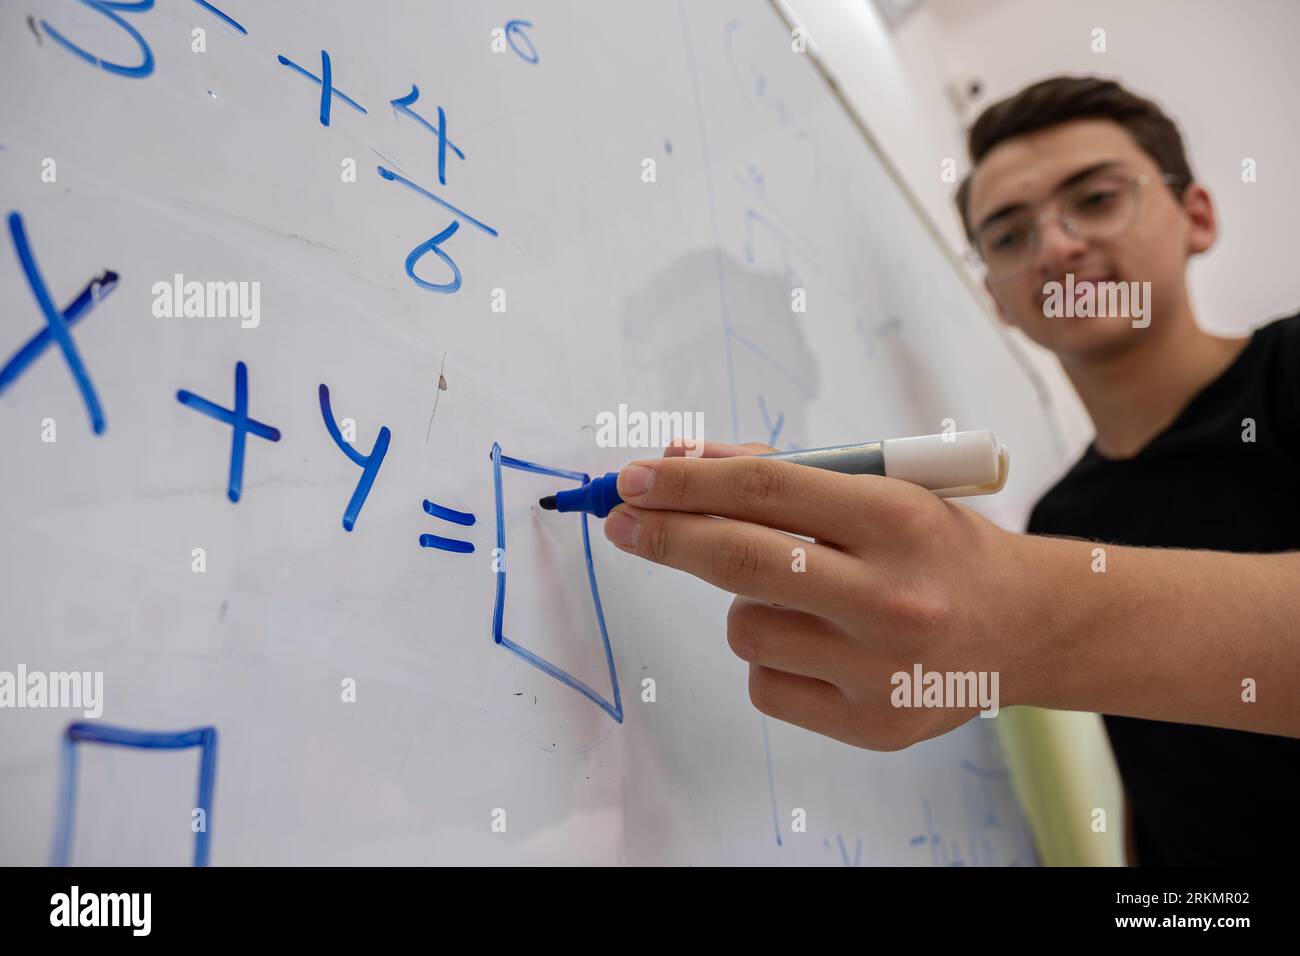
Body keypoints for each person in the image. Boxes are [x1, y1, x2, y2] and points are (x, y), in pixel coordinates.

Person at [601, 76, 1300, 865]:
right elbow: (1163, 772)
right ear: (997, 298)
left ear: (1197, 216)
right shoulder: (1063, 518)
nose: (1057, 247)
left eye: (1098, 199)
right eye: (1008, 237)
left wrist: (1030, 619)